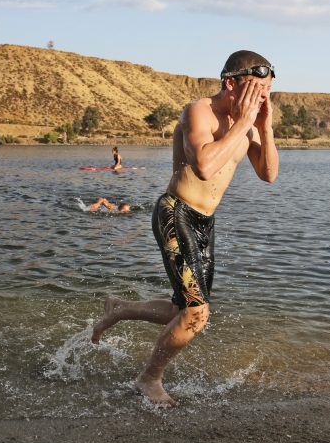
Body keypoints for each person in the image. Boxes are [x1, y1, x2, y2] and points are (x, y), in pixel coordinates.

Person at [91, 50, 279, 406]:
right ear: (231, 84)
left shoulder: (249, 124)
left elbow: (268, 174)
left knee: (185, 308)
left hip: (205, 222)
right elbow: (204, 166)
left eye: (267, 91)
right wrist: (244, 122)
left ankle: (119, 309)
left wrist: (264, 126)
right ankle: (149, 379)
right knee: (197, 312)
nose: (262, 98)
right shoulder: (199, 111)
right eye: (257, 90)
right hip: (176, 213)